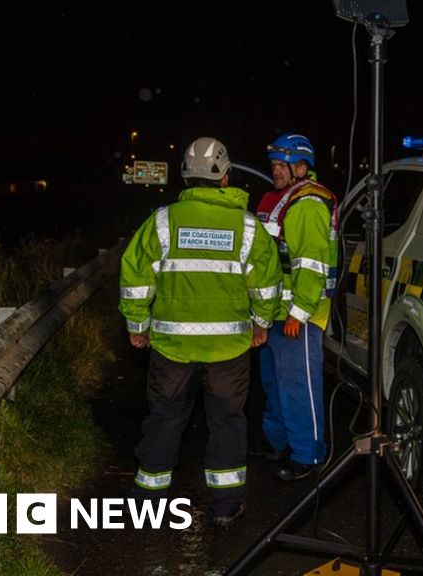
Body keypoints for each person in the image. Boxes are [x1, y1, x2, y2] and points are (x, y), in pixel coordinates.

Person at [118, 136, 282, 527]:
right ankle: (226, 506)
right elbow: (267, 284)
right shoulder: (246, 228)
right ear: (225, 178)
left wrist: (138, 327)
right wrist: (261, 324)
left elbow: (135, 278)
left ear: (185, 179)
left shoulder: (161, 222)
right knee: (227, 421)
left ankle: (149, 503)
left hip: (172, 347)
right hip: (228, 349)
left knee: (166, 416)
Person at [254, 133, 339, 481]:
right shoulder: (280, 199)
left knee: (297, 386)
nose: (275, 170)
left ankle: (307, 455)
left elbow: (311, 264)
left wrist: (298, 313)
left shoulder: (307, 204)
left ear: (301, 167)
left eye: (281, 165)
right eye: (273, 164)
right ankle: (277, 443)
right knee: (274, 385)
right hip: (275, 312)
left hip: (297, 317)